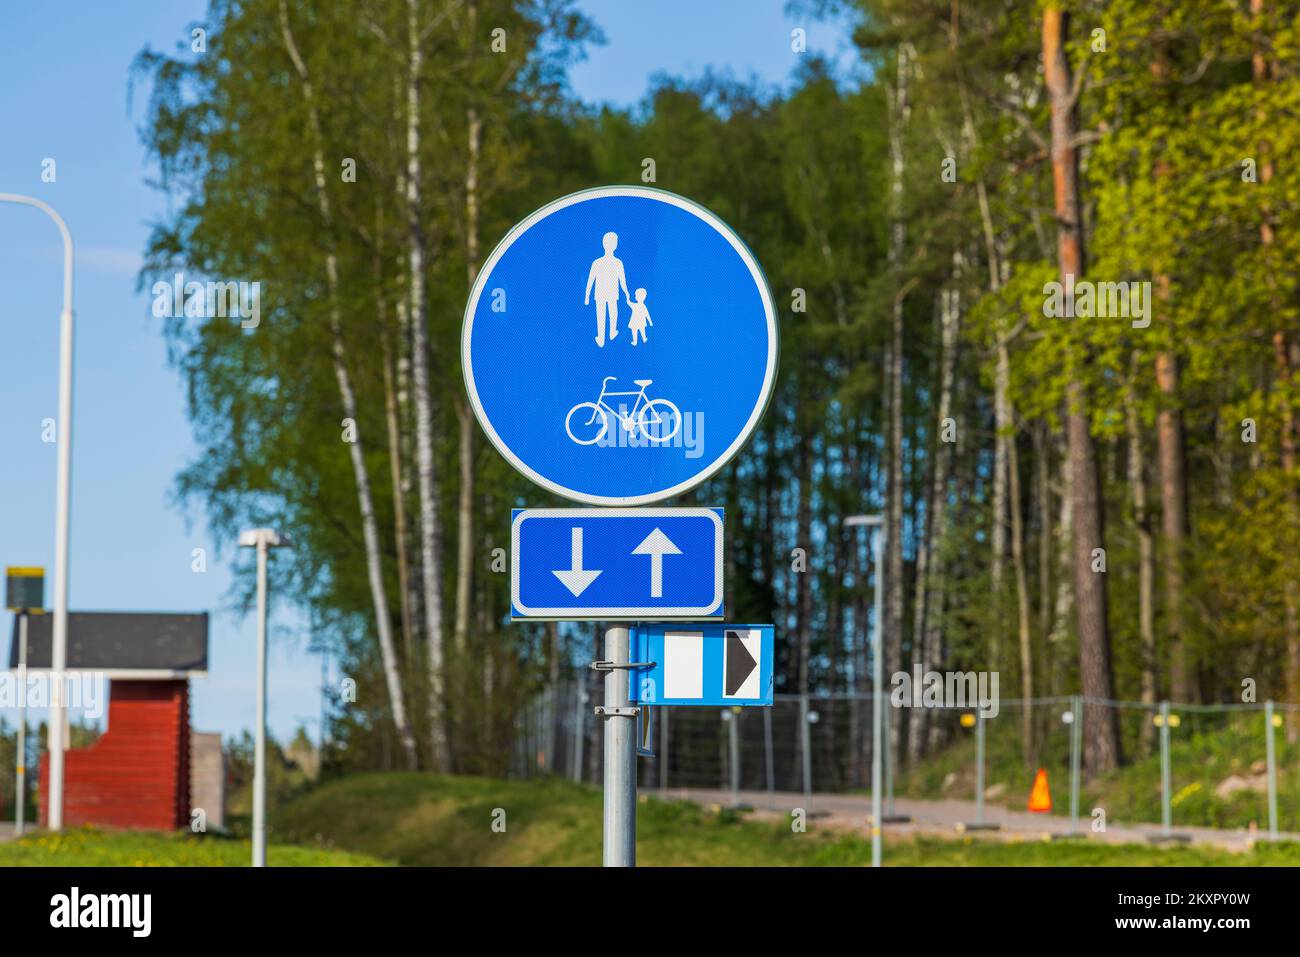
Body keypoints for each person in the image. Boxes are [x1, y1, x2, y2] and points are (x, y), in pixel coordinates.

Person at [584, 231, 630, 347]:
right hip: (603, 294)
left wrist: (626, 292)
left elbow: (622, 280)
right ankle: (606, 335)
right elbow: (591, 280)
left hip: (608, 294)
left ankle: (606, 335)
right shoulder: (602, 262)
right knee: (608, 313)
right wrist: (587, 296)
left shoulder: (612, 262)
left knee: (607, 313)